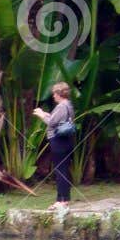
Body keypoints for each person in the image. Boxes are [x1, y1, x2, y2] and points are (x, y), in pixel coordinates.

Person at [34, 81, 75, 211]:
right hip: (67, 140)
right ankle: (65, 200)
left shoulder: (61, 106)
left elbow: (51, 123)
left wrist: (41, 115)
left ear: (59, 94)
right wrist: (47, 114)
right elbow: (59, 120)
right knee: (64, 169)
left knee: (60, 170)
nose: (53, 96)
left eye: (54, 93)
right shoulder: (68, 105)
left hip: (58, 140)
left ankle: (61, 201)